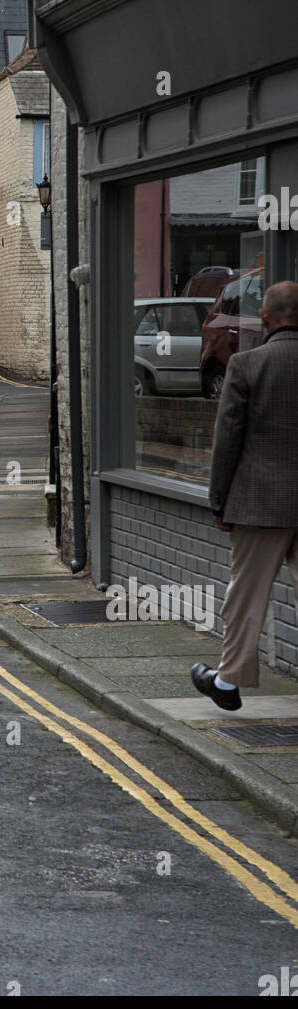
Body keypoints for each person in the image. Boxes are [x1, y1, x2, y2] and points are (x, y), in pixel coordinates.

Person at [192, 281, 298, 711]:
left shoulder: (246, 365)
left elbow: (228, 441)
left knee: (247, 596)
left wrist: (219, 501)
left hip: (259, 502)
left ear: (266, 319)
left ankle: (228, 682)